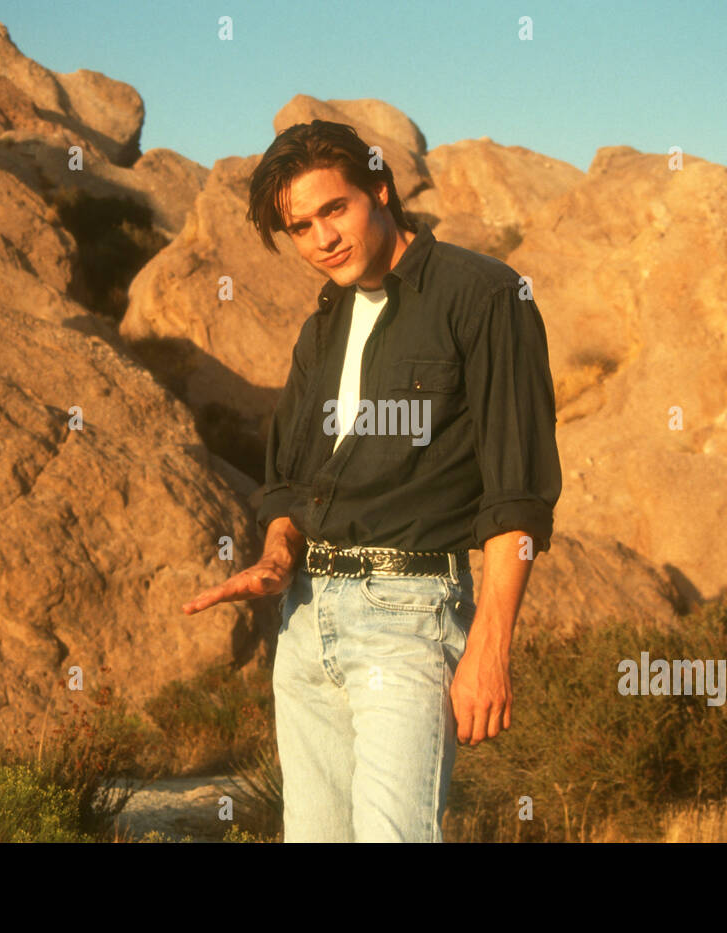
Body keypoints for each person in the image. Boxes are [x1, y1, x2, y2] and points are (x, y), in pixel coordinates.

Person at [182, 120, 561, 841]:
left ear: (380, 191)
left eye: (335, 210)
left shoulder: (483, 296)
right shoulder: (322, 328)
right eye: (300, 227)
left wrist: (490, 645)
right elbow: (291, 483)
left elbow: (519, 491)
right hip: (305, 623)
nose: (322, 238)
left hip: (408, 617)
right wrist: (275, 556)